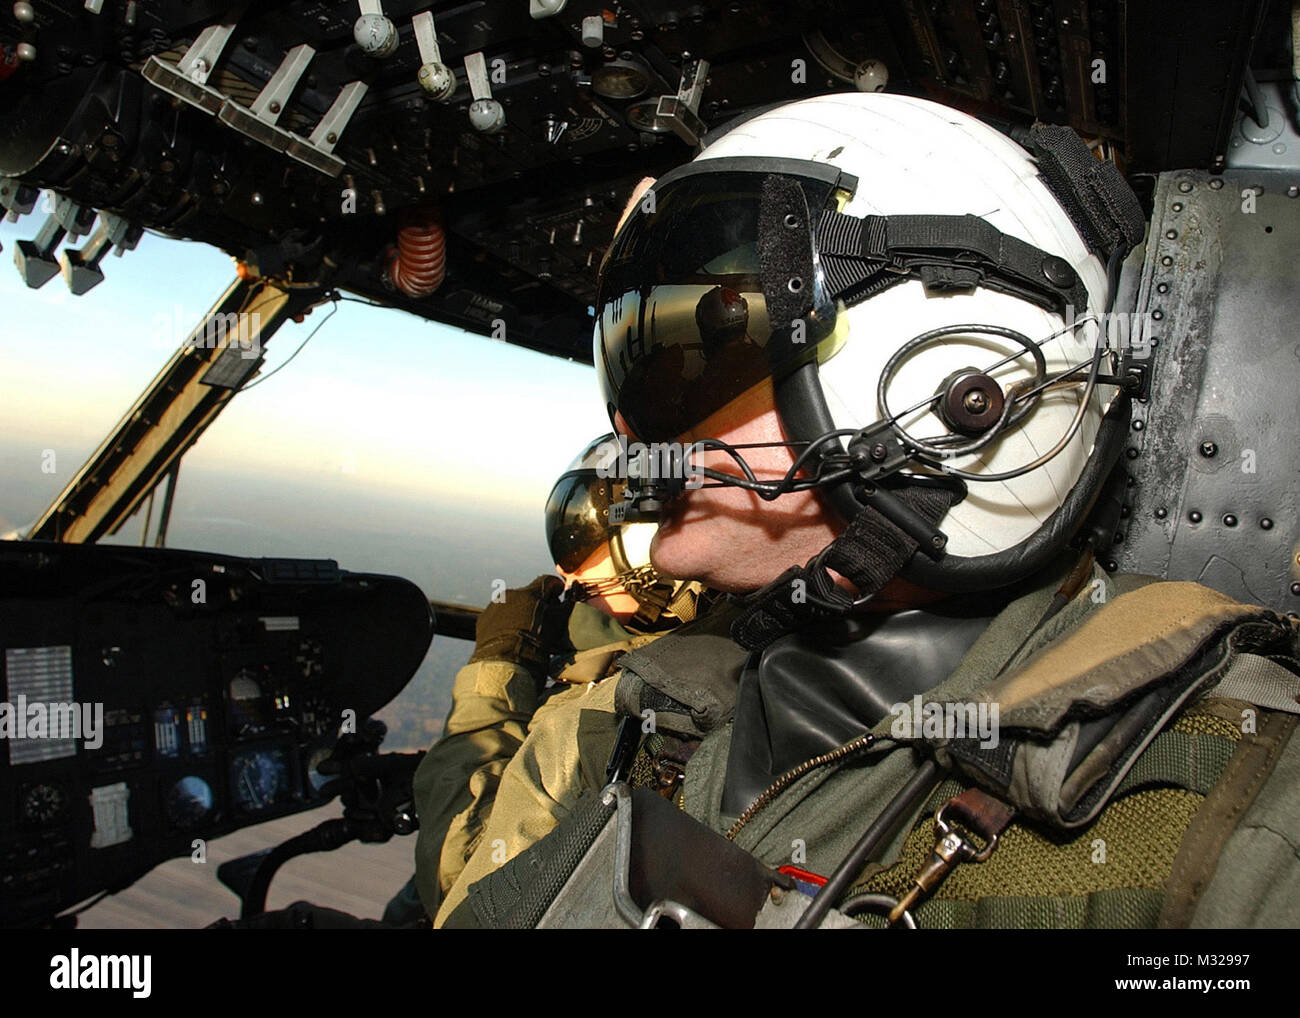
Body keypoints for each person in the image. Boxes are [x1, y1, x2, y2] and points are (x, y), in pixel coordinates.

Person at [434, 93, 1300, 929]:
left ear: (955, 393)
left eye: (693, 355)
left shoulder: (1244, 810)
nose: (635, 430)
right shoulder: (612, 726)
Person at [407, 435, 708, 920]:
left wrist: (500, 666)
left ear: (648, 549)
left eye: (583, 538)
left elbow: (460, 887)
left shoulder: (616, 707)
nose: (562, 569)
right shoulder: (688, 668)